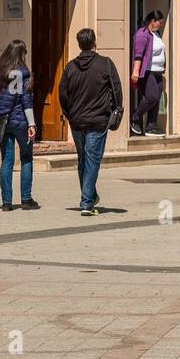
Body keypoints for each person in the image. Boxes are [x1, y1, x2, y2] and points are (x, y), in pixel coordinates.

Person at [58, 28, 123, 217]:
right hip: (98, 120)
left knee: (83, 159)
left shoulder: (70, 67)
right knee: (92, 159)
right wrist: (117, 110)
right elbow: (116, 89)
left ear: (79, 44)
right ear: (94, 43)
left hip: (77, 120)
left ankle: (90, 195)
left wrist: (69, 114)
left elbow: (63, 94)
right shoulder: (106, 64)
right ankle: (86, 202)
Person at [0, 40, 39, 212]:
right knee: (26, 159)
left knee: (7, 161)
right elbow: (26, 100)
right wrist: (32, 123)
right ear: (21, 54)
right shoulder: (23, 73)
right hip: (21, 122)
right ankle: (26, 199)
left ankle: (6, 202)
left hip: (3, 121)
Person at [131, 10, 166, 136]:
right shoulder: (142, 34)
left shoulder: (156, 34)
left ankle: (151, 126)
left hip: (158, 72)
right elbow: (138, 55)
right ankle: (135, 118)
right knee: (151, 97)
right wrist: (135, 72)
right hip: (147, 72)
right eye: (159, 22)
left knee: (156, 100)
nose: (160, 25)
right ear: (153, 21)